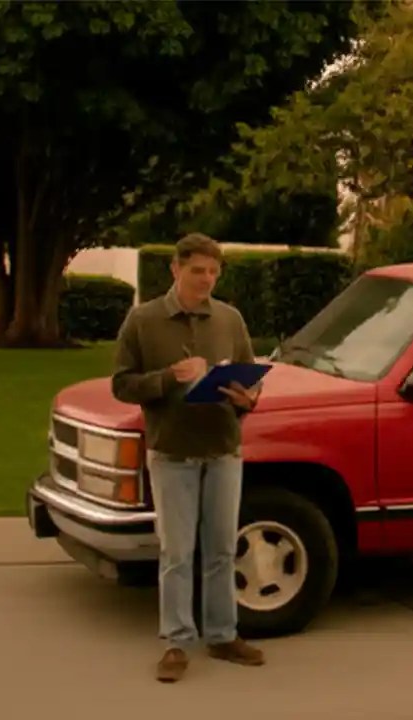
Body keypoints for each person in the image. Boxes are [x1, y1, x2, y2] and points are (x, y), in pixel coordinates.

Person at [110, 232, 264, 683]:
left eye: (214, 272)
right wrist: (167, 378)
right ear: (175, 270)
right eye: (198, 270)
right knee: (178, 552)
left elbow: (251, 383)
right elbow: (121, 384)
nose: (207, 279)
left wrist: (247, 396)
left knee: (220, 549)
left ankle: (222, 635)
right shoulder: (143, 320)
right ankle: (176, 643)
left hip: (223, 449)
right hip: (172, 452)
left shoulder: (230, 320)